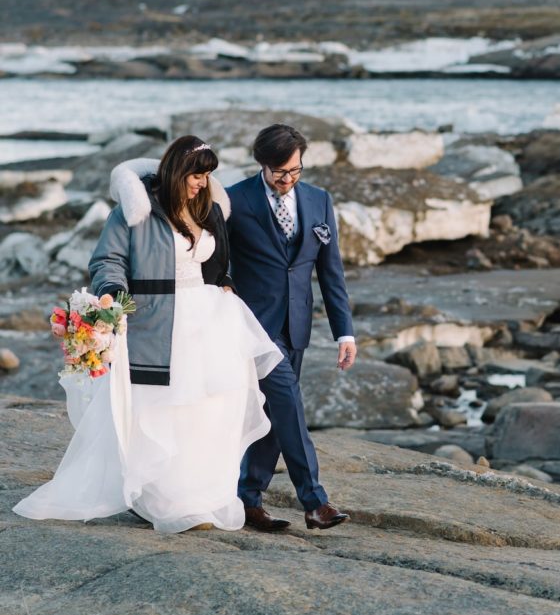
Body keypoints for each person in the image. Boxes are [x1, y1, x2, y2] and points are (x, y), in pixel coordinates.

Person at [14, 136, 282, 533]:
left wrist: (224, 280)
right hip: (155, 323)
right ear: (176, 172)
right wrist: (113, 296)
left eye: (208, 176)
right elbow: (107, 259)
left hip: (210, 322)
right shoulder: (134, 212)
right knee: (160, 410)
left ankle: (201, 499)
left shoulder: (206, 209)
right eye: (196, 174)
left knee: (209, 411)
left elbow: (218, 257)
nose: (202, 183)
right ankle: (162, 501)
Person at [228, 123, 356, 531]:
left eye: (294, 172)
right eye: (279, 173)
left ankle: (248, 498)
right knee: (288, 403)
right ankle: (314, 501)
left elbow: (330, 272)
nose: (287, 181)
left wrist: (345, 332)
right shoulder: (234, 200)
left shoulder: (319, 200)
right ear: (262, 164)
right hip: (253, 326)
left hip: (297, 323)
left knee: (276, 412)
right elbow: (214, 260)